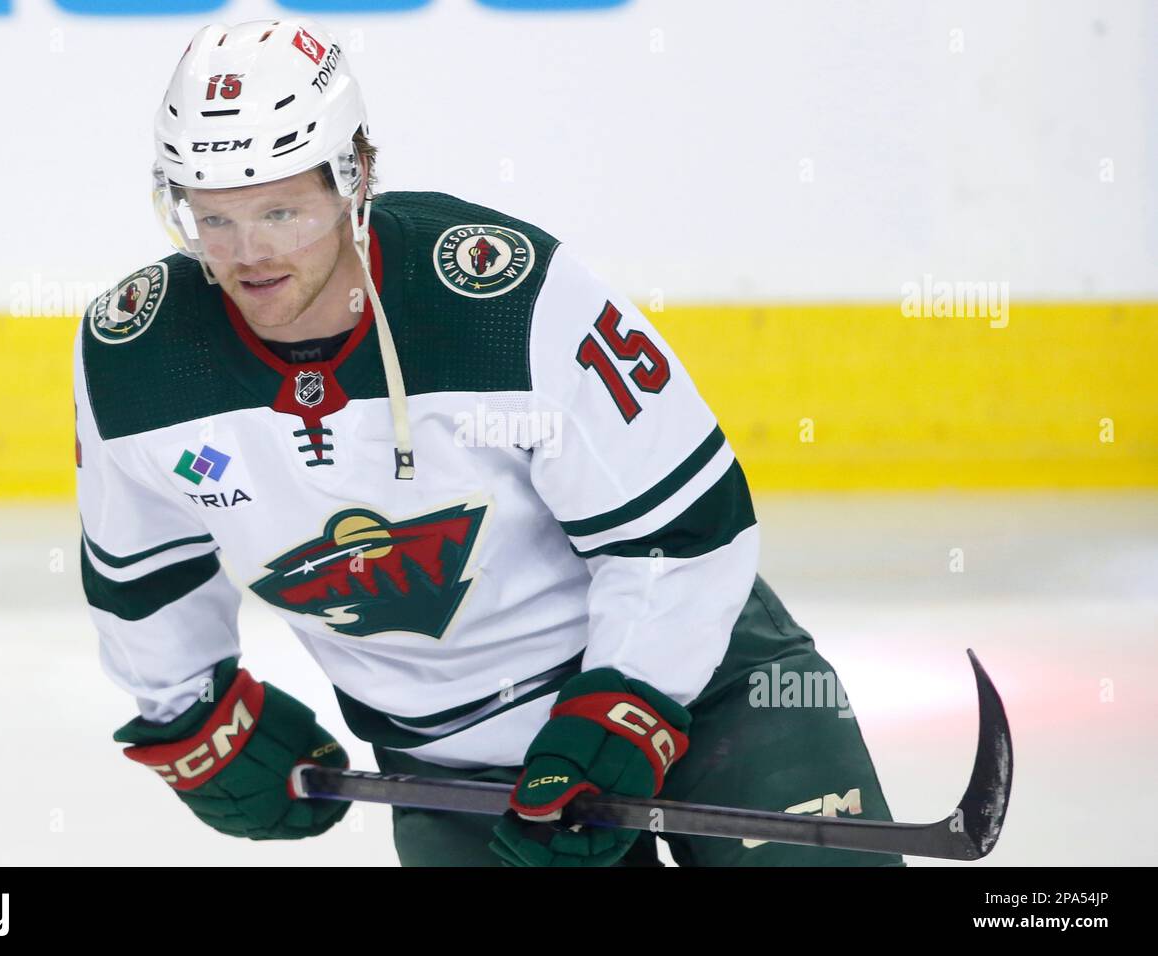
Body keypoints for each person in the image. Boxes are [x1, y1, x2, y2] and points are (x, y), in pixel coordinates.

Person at [75, 16, 902, 867]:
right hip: (457, 769)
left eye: (280, 210)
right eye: (214, 219)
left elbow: (681, 530)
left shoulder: (502, 305)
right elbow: (144, 572)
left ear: (354, 177)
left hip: (706, 688)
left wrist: (626, 705)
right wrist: (195, 717)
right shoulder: (139, 359)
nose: (248, 256)